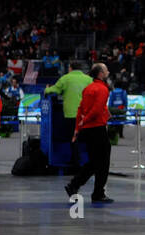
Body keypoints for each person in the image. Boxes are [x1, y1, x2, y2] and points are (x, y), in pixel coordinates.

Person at [65, 63, 114, 203]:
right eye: (106, 70)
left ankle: (75, 185)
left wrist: (77, 128)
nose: (108, 72)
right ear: (100, 74)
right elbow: (97, 110)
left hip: (87, 129)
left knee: (94, 161)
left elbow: (81, 109)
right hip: (97, 128)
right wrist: (85, 120)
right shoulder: (103, 89)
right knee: (103, 162)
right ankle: (97, 193)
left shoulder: (88, 89)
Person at [44, 62, 92, 149]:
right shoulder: (88, 79)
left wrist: (47, 89)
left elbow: (55, 90)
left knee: (72, 136)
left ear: (70, 68)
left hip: (71, 114)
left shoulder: (65, 78)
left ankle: (75, 159)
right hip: (85, 114)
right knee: (85, 137)